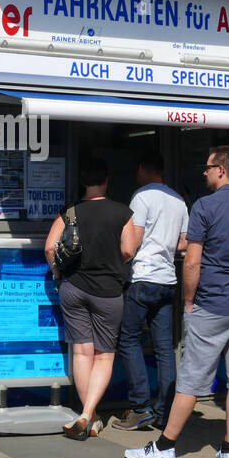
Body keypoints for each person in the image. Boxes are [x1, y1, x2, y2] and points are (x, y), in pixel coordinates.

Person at [125, 146, 229, 458]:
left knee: (192, 379)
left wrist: (190, 299)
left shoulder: (206, 207)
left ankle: (165, 446)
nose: (204, 172)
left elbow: (192, 263)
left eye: (208, 167)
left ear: (222, 169)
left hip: (214, 302)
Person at [44, 160, 138, 440]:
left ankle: (90, 417)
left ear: (83, 182)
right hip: (108, 291)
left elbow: (50, 246)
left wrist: (57, 270)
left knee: (82, 353)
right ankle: (88, 413)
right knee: (104, 355)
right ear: (106, 181)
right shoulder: (123, 212)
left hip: (73, 287)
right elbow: (129, 249)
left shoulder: (69, 212)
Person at [113, 153, 188, 432]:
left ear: (143, 168)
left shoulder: (141, 197)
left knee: (129, 340)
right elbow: (182, 243)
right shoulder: (179, 200)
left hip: (143, 277)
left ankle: (140, 407)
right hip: (168, 280)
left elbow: (134, 240)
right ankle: (164, 409)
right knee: (165, 348)